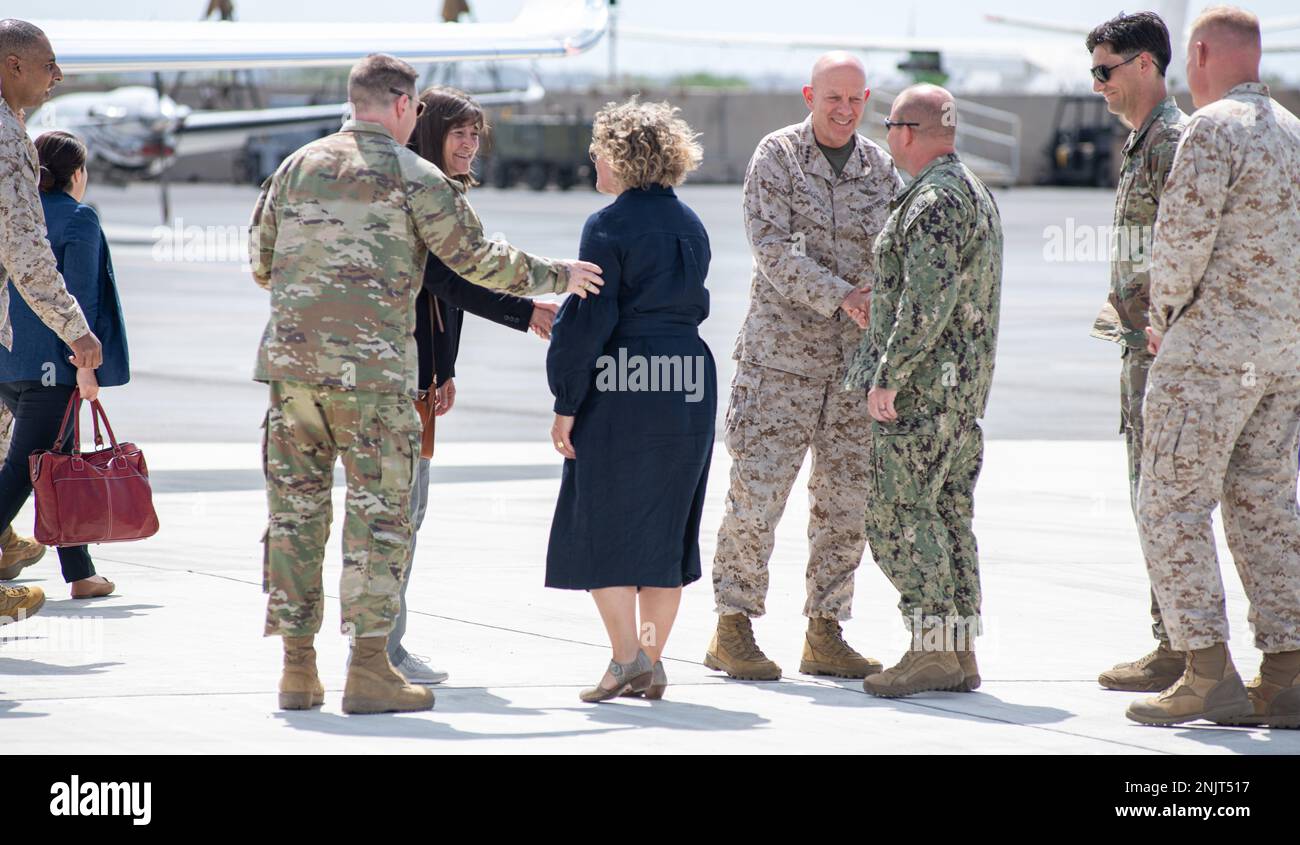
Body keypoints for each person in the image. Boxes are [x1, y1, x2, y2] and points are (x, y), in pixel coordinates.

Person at [252, 53, 602, 715]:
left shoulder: (296, 166)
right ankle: (368, 670)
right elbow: (475, 260)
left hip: (291, 376)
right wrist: (556, 275)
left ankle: (298, 670)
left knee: (296, 520)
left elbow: (261, 263)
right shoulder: (415, 175)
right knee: (380, 523)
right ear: (405, 107)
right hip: (376, 380)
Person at [1127, 7, 1300, 728]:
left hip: (1209, 358)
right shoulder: (1295, 132)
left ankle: (1206, 670)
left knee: (1168, 501)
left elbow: (1180, 242)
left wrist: (1159, 320)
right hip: (1284, 357)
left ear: (1198, 53)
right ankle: (1288, 672)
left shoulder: (1211, 128)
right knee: (1266, 507)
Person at [706, 52, 899, 682]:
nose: (844, 110)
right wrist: (844, 294)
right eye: (832, 98)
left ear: (866, 99)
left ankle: (826, 630)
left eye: (855, 99)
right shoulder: (778, 157)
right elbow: (770, 248)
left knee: (846, 504)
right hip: (780, 365)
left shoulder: (880, 166)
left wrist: (879, 304)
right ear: (808, 95)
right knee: (757, 498)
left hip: (852, 370)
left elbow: (897, 251)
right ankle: (732, 628)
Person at [382, 85, 560, 685]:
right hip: (395, 384)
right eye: (458, 131)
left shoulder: (442, 192)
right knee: (398, 518)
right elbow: (453, 280)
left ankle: (384, 647)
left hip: (418, 380)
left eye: (475, 133)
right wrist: (527, 310)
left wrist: (444, 371)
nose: (469, 143)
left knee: (407, 514)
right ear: (430, 133)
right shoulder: (424, 194)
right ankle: (386, 652)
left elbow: (441, 294)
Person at [545, 98, 714, 702]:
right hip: (689, 377)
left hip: (626, 377)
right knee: (668, 527)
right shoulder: (691, 223)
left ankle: (624, 660)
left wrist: (567, 398)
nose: (593, 159)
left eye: (599, 150)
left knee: (605, 520)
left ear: (622, 157)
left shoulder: (608, 224)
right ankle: (650, 658)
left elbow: (588, 320)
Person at [846, 84, 1002, 699]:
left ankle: (933, 648)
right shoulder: (973, 191)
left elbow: (925, 300)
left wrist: (887, 373)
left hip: (924, 392)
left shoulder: (933, 199)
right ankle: (956, 649)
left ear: (907, 132)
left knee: (897, 515)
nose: (886, 138)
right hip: (960, 395)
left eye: (888, 126)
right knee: (946, 515)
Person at [1083, 12, 1190, 694]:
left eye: (1105, 70)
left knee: (1169, 501)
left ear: (1146, 64)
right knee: (1150, 499)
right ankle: (1173, 641)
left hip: (1168, 357)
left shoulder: (1174, 144)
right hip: (1139, 353)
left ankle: (1188, 647)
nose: (1097, 86)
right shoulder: (1140, 144)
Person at [0, 19, 104, 628]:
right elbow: (26, 250)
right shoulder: (10, 136)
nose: (57, 77)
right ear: (13, 66)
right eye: (47, 65)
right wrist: (76, 329)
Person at [0, 131, 129, 599]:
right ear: (77, 174)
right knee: (23, 471)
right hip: (53, 367)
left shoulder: (18, 216)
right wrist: (86, 366)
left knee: (60, 464)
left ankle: (81, 573)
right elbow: (80, 298)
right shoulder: (79, 219)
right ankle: (79, 573)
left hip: (8, 365)